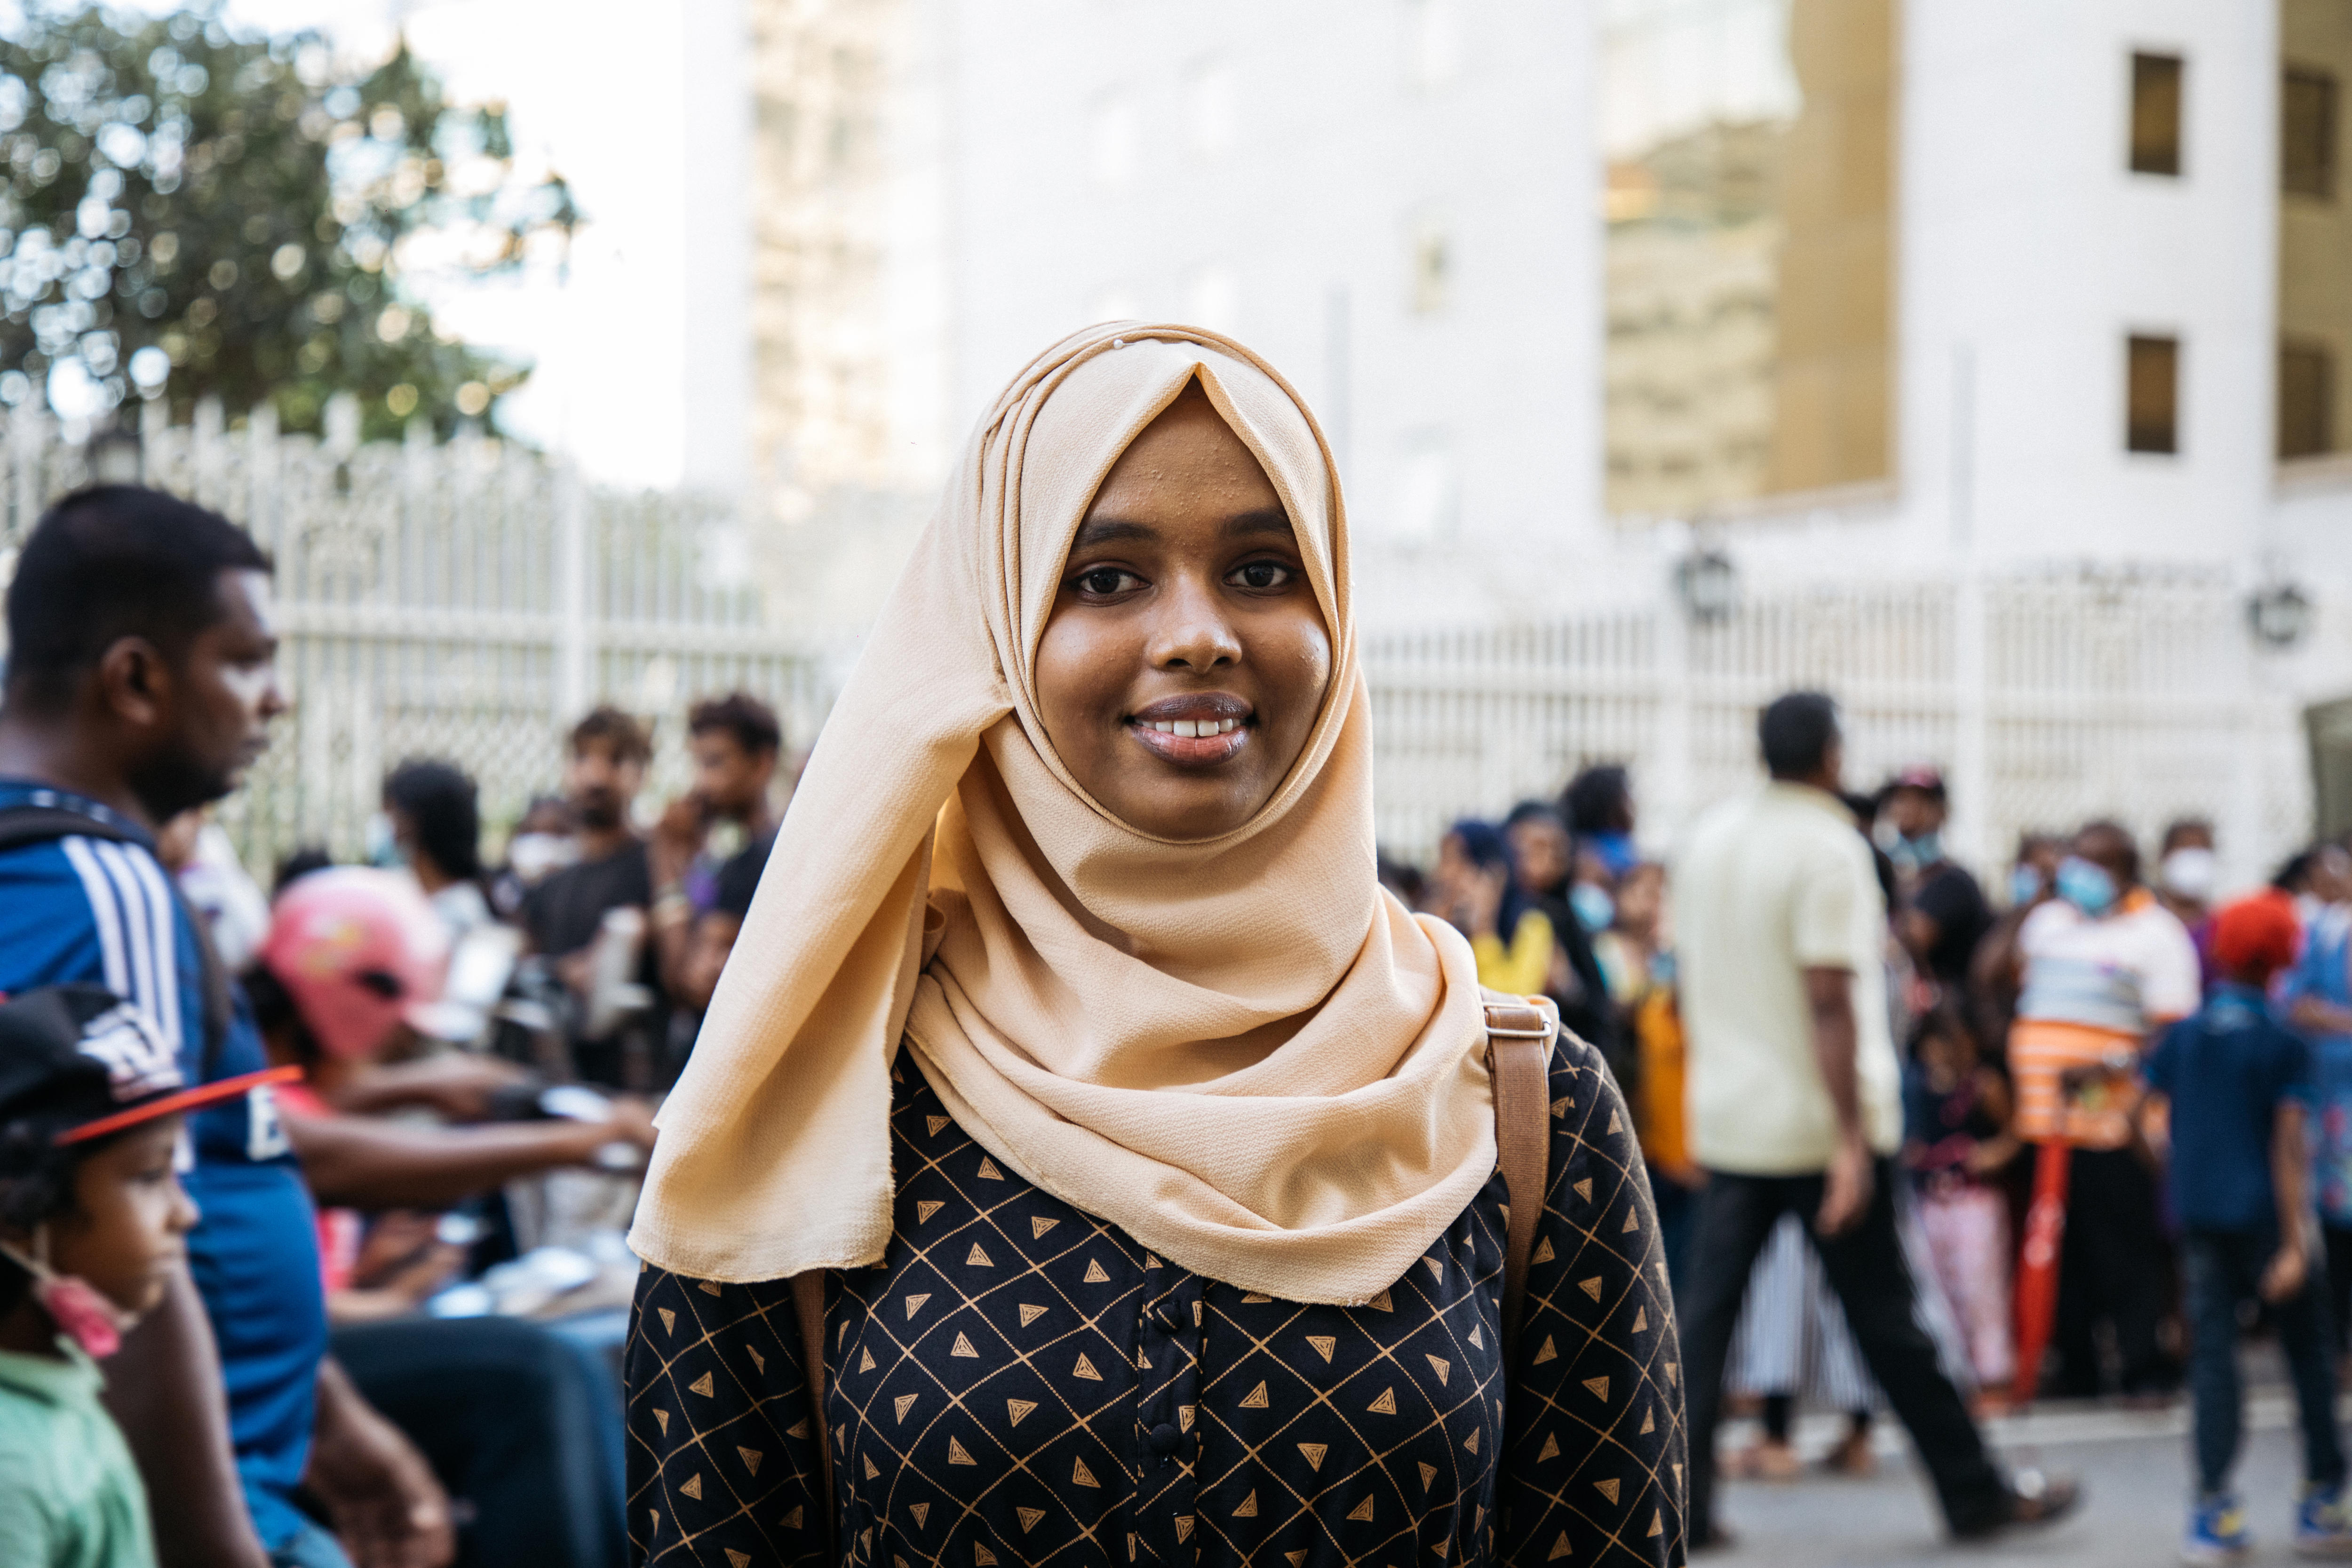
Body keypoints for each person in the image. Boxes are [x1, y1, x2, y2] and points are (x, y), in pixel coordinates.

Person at [624, 326, 1687, 1566]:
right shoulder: (815, 1080)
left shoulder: (1519, 1102)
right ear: (996, 632)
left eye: (1262, 567)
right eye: (1107, 577)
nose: (1196, 633)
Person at [0, 486, 452, 1568]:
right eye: (247, 661)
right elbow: (103, 1224)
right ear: (138, 679)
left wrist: (331, 1419)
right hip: (196, 1508)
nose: (276, 699)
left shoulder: (80, 869)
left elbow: (220, 1172)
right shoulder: (93, 883)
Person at [1672, 690, 2073, 1548]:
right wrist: (1851, 1143)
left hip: (1734, 1118)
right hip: (1819, 1127)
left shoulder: (1707, 842)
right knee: (1888, 1319)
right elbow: (1830, 1000)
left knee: (1705, 1322)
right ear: (1829, 754)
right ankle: (1974, 1492)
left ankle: (1682, 1504)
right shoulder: (1829, 846)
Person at [250, 866, 642, 1568]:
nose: (391, 1059)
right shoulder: (265, 1106)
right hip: (286, 1379)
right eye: (396, 1041)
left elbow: (340, 1111)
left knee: (580, 1353)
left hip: (322, 1347)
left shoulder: (298, 1093)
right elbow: (327, 1157)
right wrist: (575, 1142)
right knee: (533, 1374)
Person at [0, 986, 273, 1567]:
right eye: (151, 1176)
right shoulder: (12, 1474)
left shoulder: (52, 1390)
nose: (186, 1213)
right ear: (18, 1217)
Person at [2146, 893, 2352, 1560]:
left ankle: (2212, 1506)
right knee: (2309, 1360)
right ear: (2283, 958)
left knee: (2214, 1362)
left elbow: (2146, 1121)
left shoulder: (2182, 1035)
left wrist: (2185, 1173)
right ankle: (2322, 1499)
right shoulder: (2283, 1043)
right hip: (2271, 1221)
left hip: (2201, 1219)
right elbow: (2288, 1145)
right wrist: (2297, 1242)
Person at [2006, 820, 2199, 1401]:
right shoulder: (2049, 922)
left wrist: (2109, 1063)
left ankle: (2142, 1366)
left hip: (2116, 1127)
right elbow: (2007, 978)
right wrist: (2034, 902)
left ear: (2121, 871)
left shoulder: (2156, 934)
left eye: (2091, 864)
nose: (2077, 875)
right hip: (2045, 1126)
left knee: (2125, 1253)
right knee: (2063, 1258)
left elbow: (2172, 1032)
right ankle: (2074, 1368)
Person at [521, 708, 660, 1088]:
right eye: (583, 758)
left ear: (641, 773)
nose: (596, 777)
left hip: (630, 1088)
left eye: (615, 761)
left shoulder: (655, 866)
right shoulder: (553, 879)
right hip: (554, 1082)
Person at [1900, 1008, 2019, 1398]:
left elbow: (2014, 1131)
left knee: (1980, 1289)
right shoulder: (1916, 1088)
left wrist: (1990, 1154)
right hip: (1930, 1200)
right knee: (1937, 1291)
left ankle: (1993, 1377)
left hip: (1973, 1198)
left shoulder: (1982, 1085)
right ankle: (1955, 1377)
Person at [647, 693, 782, 1031]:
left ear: (762, 764)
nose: (702, 783)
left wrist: (664, 856)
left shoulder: (763, 860)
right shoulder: (728, 852)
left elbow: (682, 978)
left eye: (716, 763)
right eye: (698, 765)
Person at [1877, 767, 1992, 1006]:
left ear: (1942, 813)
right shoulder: (1891, 874)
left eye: (1921, 801)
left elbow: (1911, 940)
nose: (1907, 809)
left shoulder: (1954, 882)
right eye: (1900, 800)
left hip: (1946, 1017)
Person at [381, 760, 493, 939]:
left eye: (391, 811)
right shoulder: (400, 889)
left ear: (413, 820)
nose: (386, 820)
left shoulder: (456, 914)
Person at [1564, 762, 1640, 879]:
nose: (1633, 805)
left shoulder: (1574, 844)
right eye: (1626, 798)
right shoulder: (1618, 853)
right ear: (1611, 807)